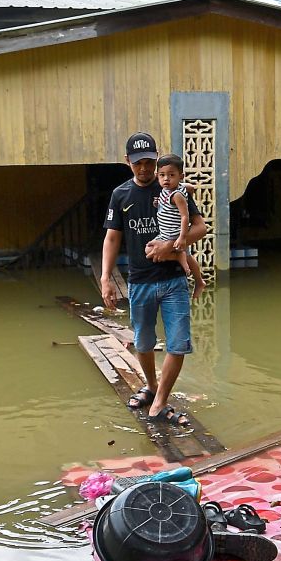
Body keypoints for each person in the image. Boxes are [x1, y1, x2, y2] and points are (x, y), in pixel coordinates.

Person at [101, 132, 208, 427]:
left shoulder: (172, 188)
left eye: (150, 162)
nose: (146, 169)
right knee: (143, 342)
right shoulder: (120, 195)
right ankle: (150, 386)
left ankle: (160, 402)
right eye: (138, 164)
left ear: (157, 159)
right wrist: (105, 277)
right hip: (140, 282)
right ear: (128, 163)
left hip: (173, 281)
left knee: (177, 344)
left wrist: (171, 243)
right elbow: (112, 238)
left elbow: (201, 228)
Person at [154, 154, 206, 298]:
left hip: (173, 233)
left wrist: (183, 237)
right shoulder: (167, 190)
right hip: (167, 232)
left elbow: (185, 216)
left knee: (151, 251)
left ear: (180, 176)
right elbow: (190, 187)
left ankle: (196, 276)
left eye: (171, 175)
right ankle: (198, 279)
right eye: (162, 175)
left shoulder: (176, 195)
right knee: (187, 256)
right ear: (157, 175)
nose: (166, 179)